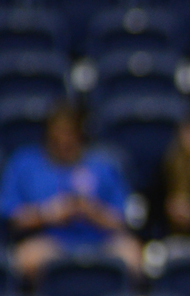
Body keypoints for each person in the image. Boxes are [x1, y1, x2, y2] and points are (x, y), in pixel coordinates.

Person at [0, 104, 143, 281]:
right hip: (51, 240)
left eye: (69, 134)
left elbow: (122, 221)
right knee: (26, 258)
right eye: (58, 135)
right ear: (48, 135)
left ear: (80, 136)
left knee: (133, 254)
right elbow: (14, 219)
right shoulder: (25, 164)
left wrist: (90, 210)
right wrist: (49, 214)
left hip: (99, 239)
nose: (64, 140)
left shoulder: (104, 165)